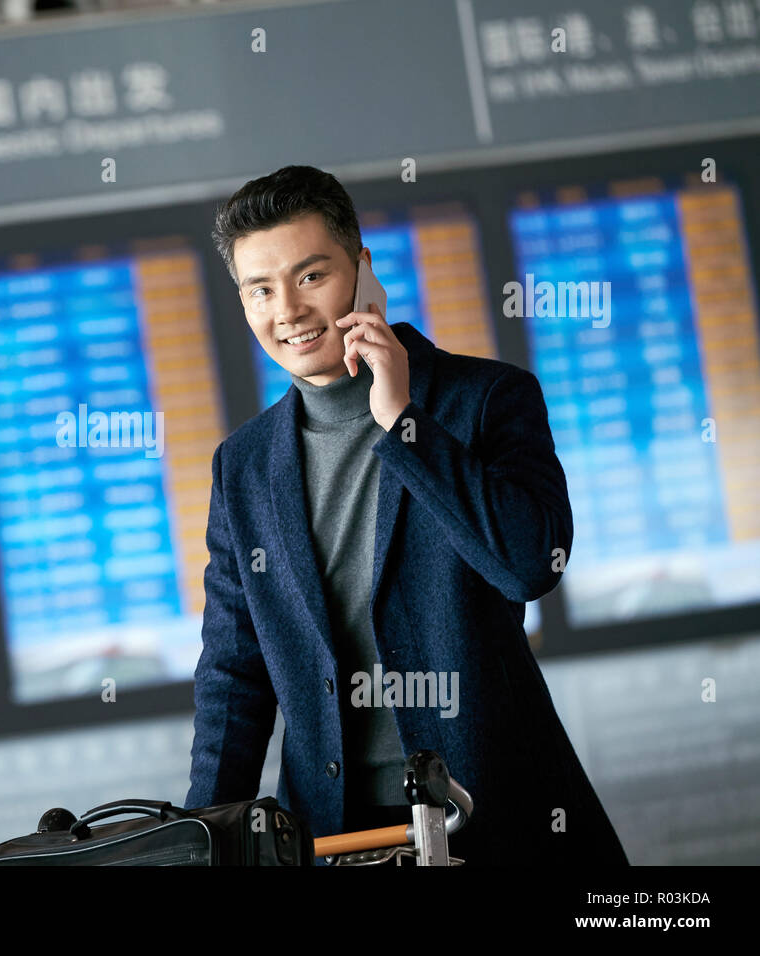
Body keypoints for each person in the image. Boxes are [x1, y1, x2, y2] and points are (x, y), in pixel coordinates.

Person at [184, 165, 628, 866]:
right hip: (331, 837)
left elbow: (528, 566)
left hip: (496, 818)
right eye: (259, 290)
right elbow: (234, 673)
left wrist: (401, 424)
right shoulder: (243, 466)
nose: (287, 311)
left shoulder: (485, 400)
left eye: (310, 276)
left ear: (362, 270)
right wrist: (202, 841)